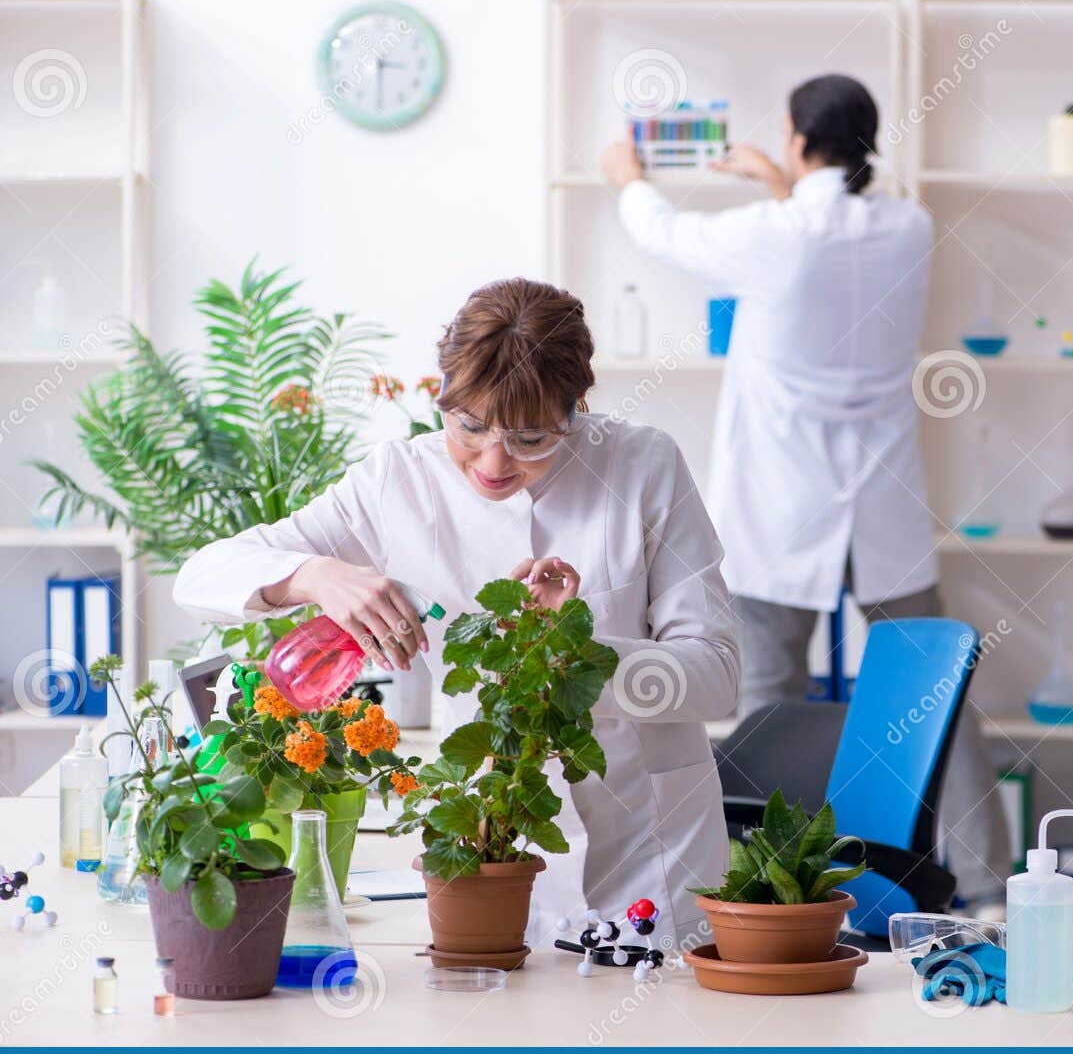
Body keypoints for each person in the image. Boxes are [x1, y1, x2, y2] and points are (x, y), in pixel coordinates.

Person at [173, 279, 737, 949]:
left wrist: (571, 655)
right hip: (491, 851)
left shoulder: (643, 465)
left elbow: (717, 674)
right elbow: (200, 574)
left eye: (531, 437)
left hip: (650, 852)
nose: (493, 462)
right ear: (443, 396)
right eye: (469, 426)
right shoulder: (397, 481)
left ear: (576, 406)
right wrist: (316, 575)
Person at [602, 73, 1011, 907]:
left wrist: (627, 176)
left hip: (784, 509)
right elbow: (833, 231)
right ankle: (990, 887)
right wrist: (782, 182)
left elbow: (671, 234)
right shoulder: (910, 226)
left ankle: (769, 892)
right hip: (884, 506)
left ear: (795, 138)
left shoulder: (772, 234)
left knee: (765, 701)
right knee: (938, 691)